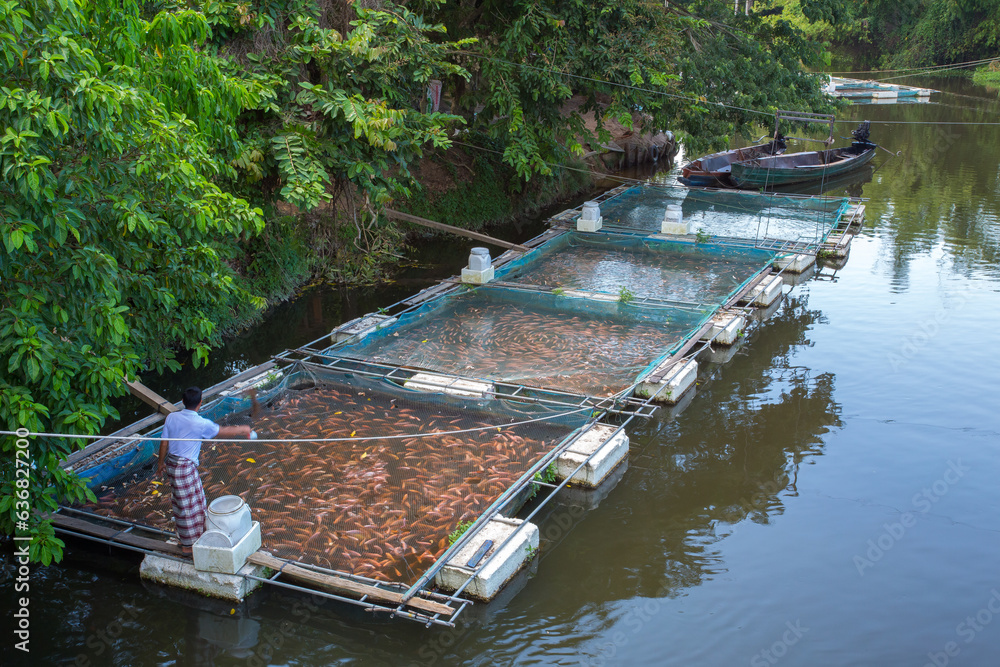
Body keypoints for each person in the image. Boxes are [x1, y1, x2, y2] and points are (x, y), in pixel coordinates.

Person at [156, 387, 251, 555]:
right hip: (184, 468)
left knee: (189, 503)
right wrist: (244, 430)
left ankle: (191, 538)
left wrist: (160, 464)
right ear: (200, 403)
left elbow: (164, 443)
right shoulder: (200, 423)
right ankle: (188, 546)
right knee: (188, 506)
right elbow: (222, 431)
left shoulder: (172, 417)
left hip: (172, 464)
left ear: (183, 402)